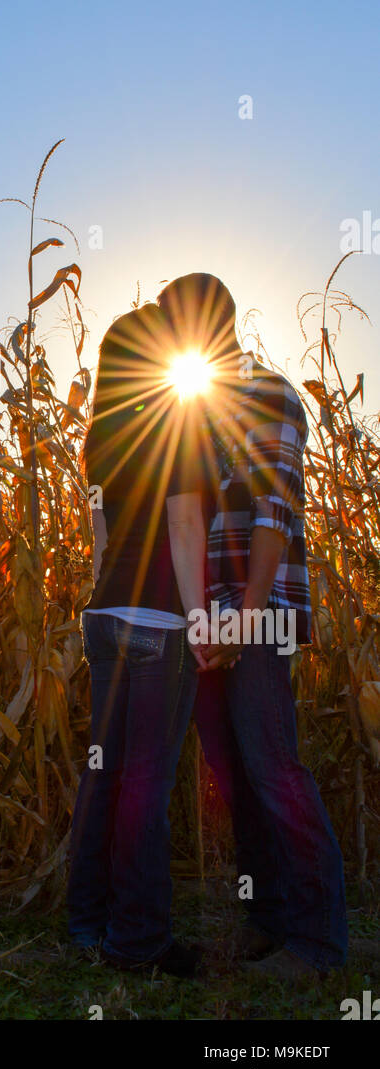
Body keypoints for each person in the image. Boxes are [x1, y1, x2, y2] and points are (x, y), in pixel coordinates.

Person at [157, 272, 348, 980]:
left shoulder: (267, 394)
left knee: (274, 769)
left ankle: (318, 944)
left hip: (258, 613)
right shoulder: (192, 407)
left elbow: (275, 509)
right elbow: (186, 521)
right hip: (211, 621)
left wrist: (249, 612)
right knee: (231, 777)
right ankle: (267, 922)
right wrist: (202, 621)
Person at [67, 303, 215, 976]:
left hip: (105, 619)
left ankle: (86, 925)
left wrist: (101, 603)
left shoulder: (100, 436)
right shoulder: (176, 423)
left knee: (104, 776)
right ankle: (140, 943)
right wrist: (201, 616)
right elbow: (184, 528)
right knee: (146, 785)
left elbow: (99, 542)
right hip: (158, 622)